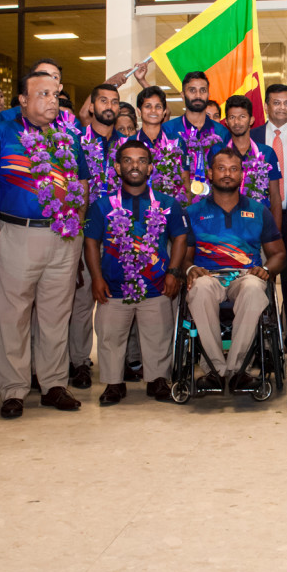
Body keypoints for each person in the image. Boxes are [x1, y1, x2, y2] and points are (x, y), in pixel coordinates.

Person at [0, 71, 90, 419]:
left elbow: (82, 183)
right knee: (12, 316)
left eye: (56, 94)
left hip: (63, 238)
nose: (52, 100)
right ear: (23, 101)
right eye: (43, 94)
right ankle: (13, 389)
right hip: (16, 235)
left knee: (57, 315)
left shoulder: (69, 138)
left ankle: (54, 384)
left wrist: (77, 228)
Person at [84, 140, 188, 404]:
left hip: (156, 285)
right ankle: (114, 384)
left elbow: (179, 238)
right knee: (110, 337)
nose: (135, 166)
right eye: (128, 160)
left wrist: (174, 272)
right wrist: (96, 277)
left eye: (141, 160)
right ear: (117, 167)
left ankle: (157, 380)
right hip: (114, 286)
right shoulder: (102, 205)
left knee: (159, 335)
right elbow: (91, 242)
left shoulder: (167, 204)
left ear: (150, 167)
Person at [185, 148, 286, 390]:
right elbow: (183, 258)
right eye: (221, 168)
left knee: (253, 288)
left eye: (233, 169)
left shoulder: (259, 211)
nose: (227, 174)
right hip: (208, 276)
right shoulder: (192, 212)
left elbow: (279, 254)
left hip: (245, 276)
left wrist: (265, 269)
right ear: (209, 173)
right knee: (199, 289)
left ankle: (239, 368)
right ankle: (215, 369)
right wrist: (190, 269)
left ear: (242, 174)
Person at [67, 83, 129, 389]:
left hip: (119, 233)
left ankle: (120, 361)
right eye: (103, 100)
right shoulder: (74, 140)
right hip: (81, 228)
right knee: (81, 297)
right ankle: (78, 361)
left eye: (114, 102)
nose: (109, 105)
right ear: (91, 106)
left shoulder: (129, 146)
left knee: (115, 295)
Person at [251, 83, 287, 312]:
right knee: (260, 276)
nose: (282, 108)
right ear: (266, 106)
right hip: (259, 218)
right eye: (276, 102)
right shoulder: (251, 137)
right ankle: (265, 330)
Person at [161, 71, 231, 200]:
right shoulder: (168, 130)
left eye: (202, 90)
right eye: (192, 90)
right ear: (183, 95)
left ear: (208, 95)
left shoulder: (222, 133)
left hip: (214, 203)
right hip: (177, 201)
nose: (198, 95)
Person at [224, 94, 283, 232]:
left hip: (259, 225)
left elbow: (275, 196)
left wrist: (276, 233)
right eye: (232, 117)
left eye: (242, 117)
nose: (237, 122)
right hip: (225, 227)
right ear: (226, 121)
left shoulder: (266, 153)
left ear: (251, 120)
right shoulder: (218, 152)